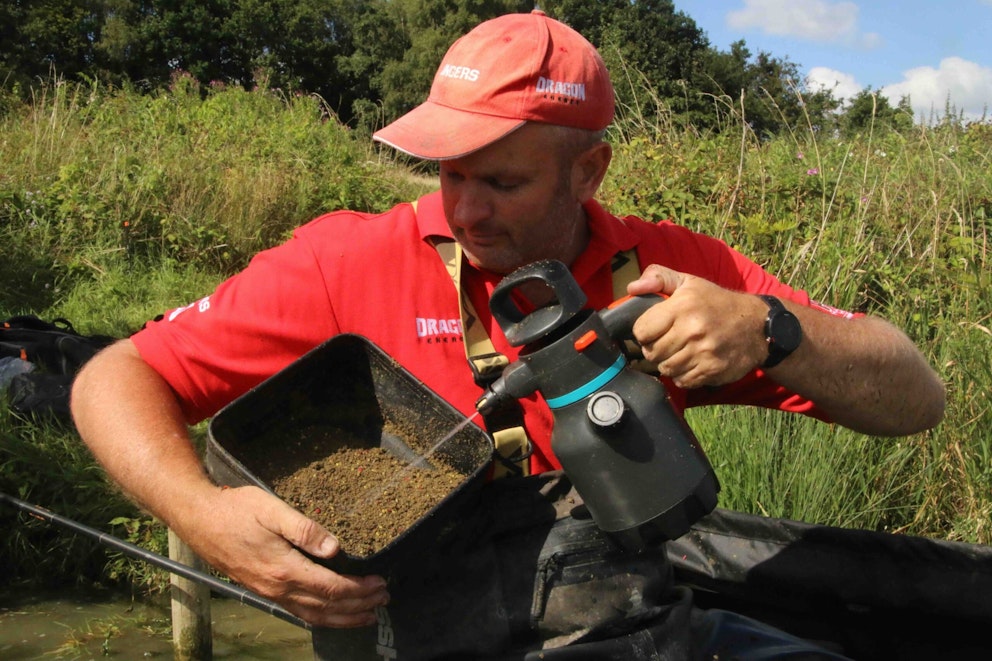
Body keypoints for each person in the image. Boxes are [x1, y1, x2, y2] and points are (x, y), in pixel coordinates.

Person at [70, 9, 945, 658]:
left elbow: (915, 396)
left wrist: (769, 329)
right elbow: (114, 377)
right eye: (448, 173)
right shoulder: (346, 261)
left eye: (501, 180)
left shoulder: (668, 271)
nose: (465, 209)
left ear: (588, 171)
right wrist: (205, 513)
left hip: (622, 632)